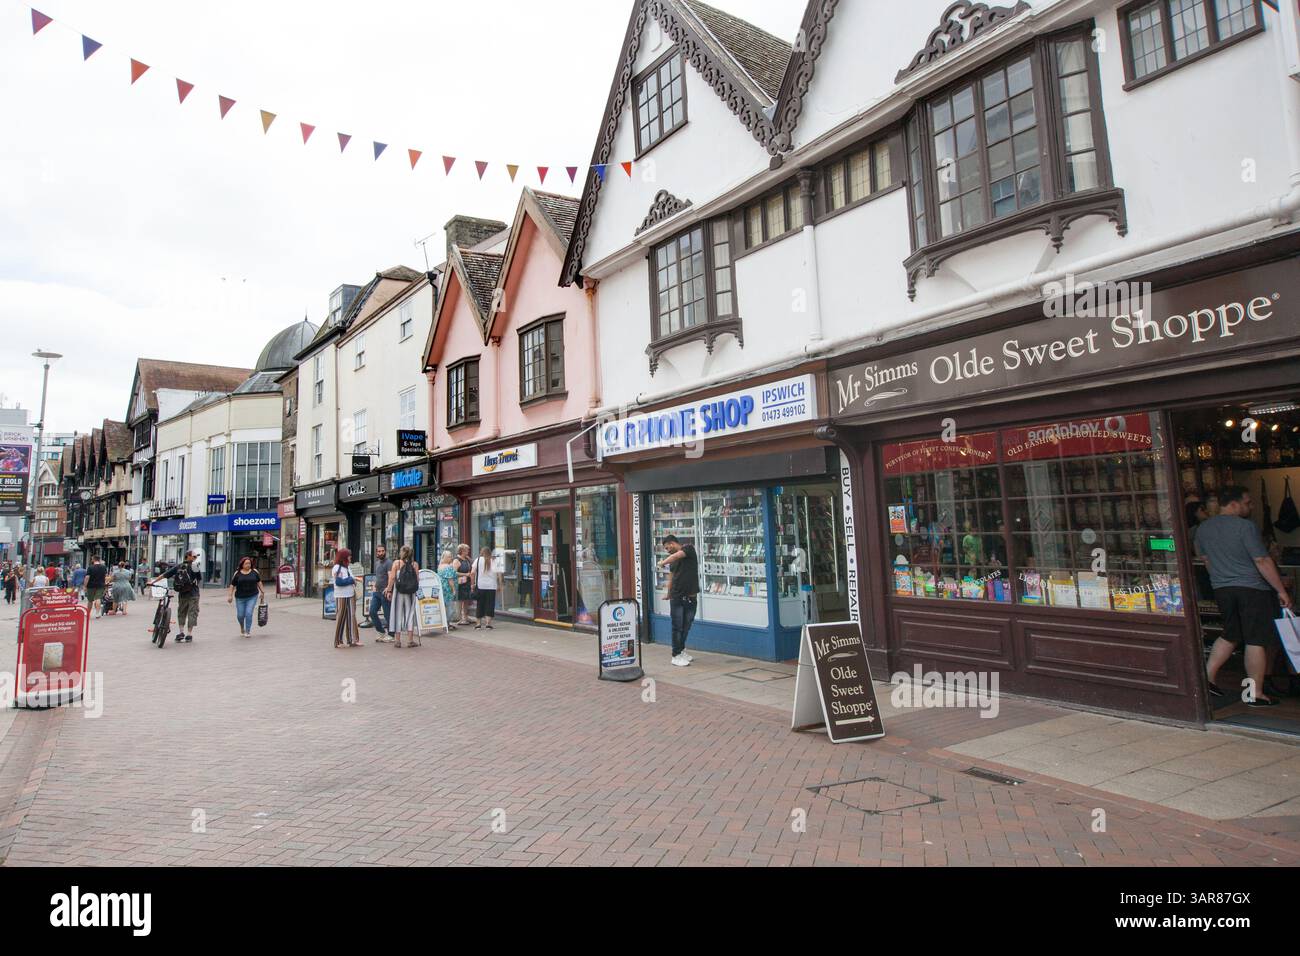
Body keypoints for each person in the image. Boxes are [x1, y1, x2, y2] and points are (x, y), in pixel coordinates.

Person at [1196, 485, 1293, 706]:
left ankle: (1207, 678)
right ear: (1234, 504)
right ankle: (1254, 692)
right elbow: (1261, 560)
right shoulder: (1245, 527)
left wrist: (1221, 579)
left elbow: (1206, 560)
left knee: (1231, 633)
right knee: (1255, 639)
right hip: (1252, 589)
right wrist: (1280, 590)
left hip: (1221, 588)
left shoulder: (1203, 529)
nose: (1251, 506)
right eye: (1248, 502)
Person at [657, 534, 699, 667]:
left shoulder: (688, 549)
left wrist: (662, 562)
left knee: (686, 626)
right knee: (677, 627)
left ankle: (681, 650)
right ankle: (675, 655)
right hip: (677, 597)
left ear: (672, 542)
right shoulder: (673, 562)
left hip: (691, 597)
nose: (667, 550)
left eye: (667, 547)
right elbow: (672, 578)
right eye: (665, 549)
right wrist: (668, 594)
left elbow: (675, 556)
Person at [148, 551, 202, 643]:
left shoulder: (178, 566)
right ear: (188, 556)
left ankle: (181, 633)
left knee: (181, 612)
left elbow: (164, 575)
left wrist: (152, 582)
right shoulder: (195, 566)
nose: (195, 558)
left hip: (182, 593)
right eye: (194, 557)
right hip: (194, 594)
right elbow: (199, 579)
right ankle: (189, 634)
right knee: (192, 613)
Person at [388, 546, 422, 648]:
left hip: (398, 592)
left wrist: (389, 590)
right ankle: (410, 640)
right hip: (410, 593)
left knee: (398, 614)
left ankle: (397, 640)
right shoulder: (415, 564)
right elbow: (417, 579)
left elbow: (392, 577)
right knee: (410, 614)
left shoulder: (397, 563)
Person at [226, 556, 264, 637]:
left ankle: (247, 631)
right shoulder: (237, 573)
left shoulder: (254, 572)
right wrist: (230, 596)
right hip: (240, 597)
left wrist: (262, 592)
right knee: (240, 615)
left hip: (252, 596)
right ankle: (242, 627)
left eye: (249, 563)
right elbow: (232, 585)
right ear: (242, 564)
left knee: (249, 613)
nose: (248, 565)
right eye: (246, 563)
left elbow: (259, 582)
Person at [331, 548, 362, 648]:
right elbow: (339, 582)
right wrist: (351, 580)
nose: (350, 557)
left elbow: (351, 578)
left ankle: (353, 639)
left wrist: (353, 579)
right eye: (349, 555)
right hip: (341, 596)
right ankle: (338, 641)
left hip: (350, 594)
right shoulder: (337, 568)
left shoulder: (347, 567)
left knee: (352, 616)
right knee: (341, 617)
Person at [470, 545, 498, 629]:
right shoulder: (494, 560)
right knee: (490, 604)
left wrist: (472, 584)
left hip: (480, 585)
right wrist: (500, 584)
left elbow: (472, 573)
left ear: (481, 552)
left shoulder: (477, 560)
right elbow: (498, 574)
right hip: (492, 586)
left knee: (480, 604)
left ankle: (478, 624)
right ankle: (488, 624)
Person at [369, 545, 393, 641]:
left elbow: (391, 577)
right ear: (376, 553)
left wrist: (388, 589)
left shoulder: (389, 562)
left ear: (385, 551)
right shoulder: (377, 563)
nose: (381, 553)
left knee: (388, 614)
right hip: (377, 592)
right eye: (379, 551)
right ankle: (381, 632)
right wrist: (374, 586)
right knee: (372, 611)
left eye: (382, 551)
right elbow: (377, 576)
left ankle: (391, 635)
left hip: (385, 592)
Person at [436, 551, 460, 631]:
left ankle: (445, 624)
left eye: (451, 556)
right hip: (448, 590)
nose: (451, 558)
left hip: (442, 589)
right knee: (450, 607)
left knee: (444, 607)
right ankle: (447, 623)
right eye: (449, 556)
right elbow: (450, 580)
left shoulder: (440, 566)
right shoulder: (448, 567)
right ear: (445, 558)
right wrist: (453, 590)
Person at [454, 543, 474, 625]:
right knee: (461, 600)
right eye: (467, 550)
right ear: (462, 551)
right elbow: (454, 572)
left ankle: (465, 616)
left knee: (466, 600)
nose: (468, 551)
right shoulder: (457, 560)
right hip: (460, 583)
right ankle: (460, 617)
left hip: (467, 582)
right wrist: (465, 574)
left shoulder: (467, 559)